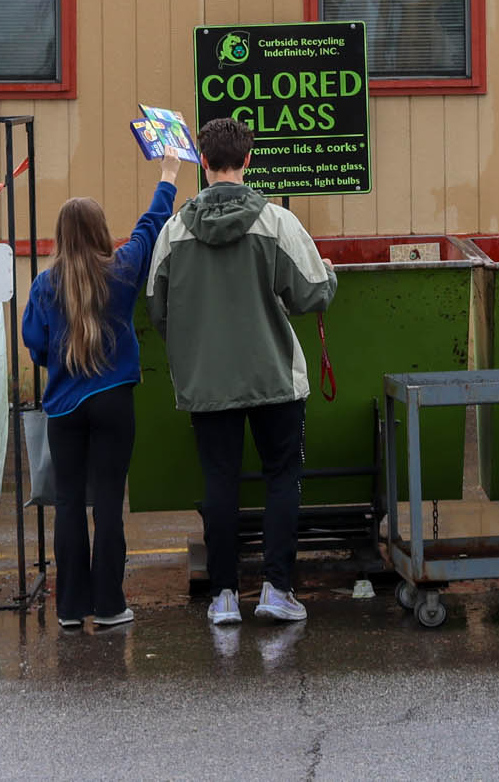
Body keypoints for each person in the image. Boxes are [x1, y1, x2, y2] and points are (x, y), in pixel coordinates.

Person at [145, 116, 337, 626]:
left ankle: (224, 597)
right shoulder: (276, 222)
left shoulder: (173, 231)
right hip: (274, 376)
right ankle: (277, 589)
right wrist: (328, 275)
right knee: (282, 477)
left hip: (206, 381)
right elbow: (314, 293)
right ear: (248, 160)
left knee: (219, 483)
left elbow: (157, 308)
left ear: (203, 162)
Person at [23, 152, 182, 631]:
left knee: (68, 503)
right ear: (99, 232)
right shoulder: (123, 269)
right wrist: (168, 175)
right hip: (113, 399)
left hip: (63, 407)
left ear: (61, 236)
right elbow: (150, 227)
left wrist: (58, 363)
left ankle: (71, 609)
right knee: (109, 502)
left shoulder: (44, 285)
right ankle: (111, 605)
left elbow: (36, 345)